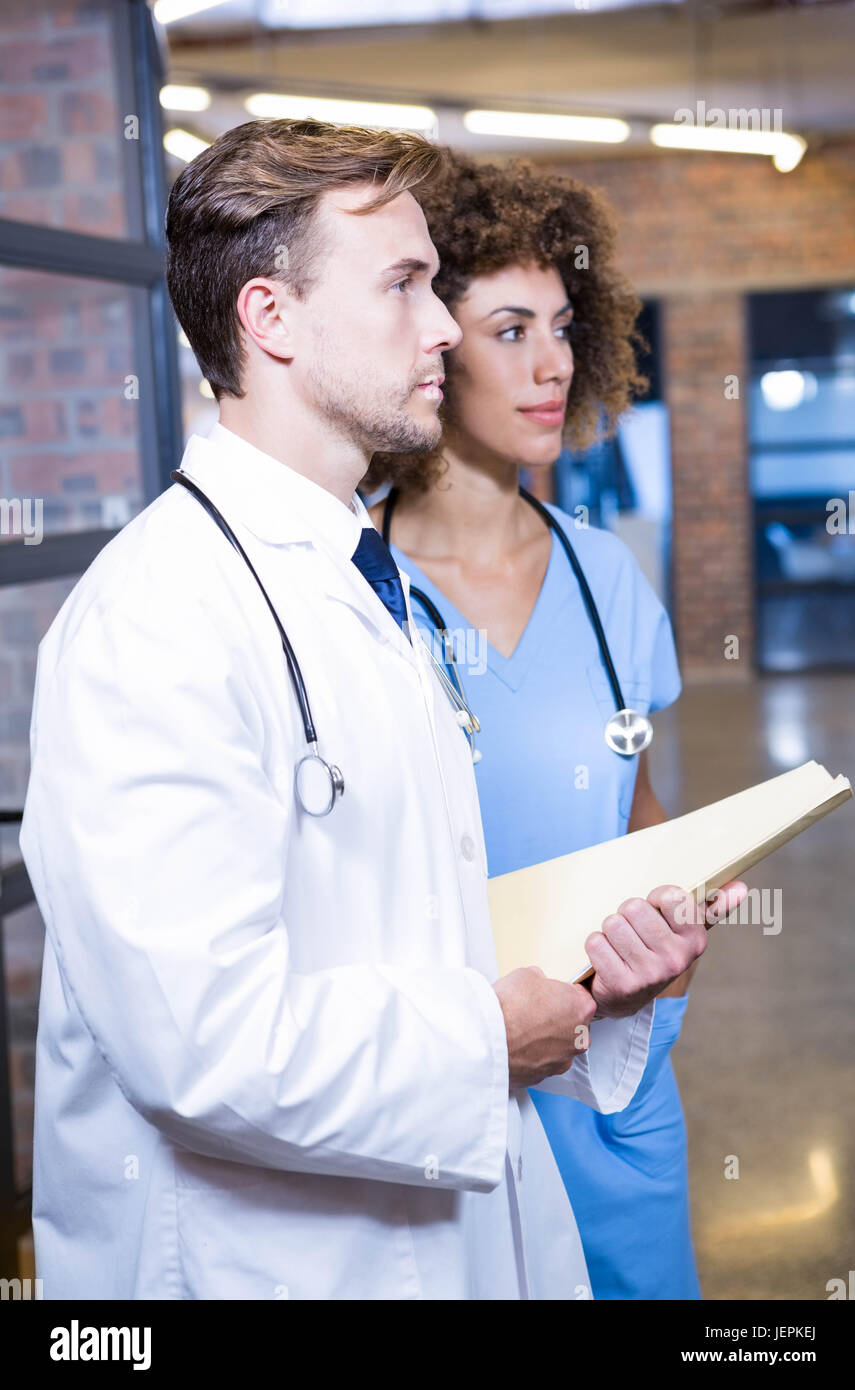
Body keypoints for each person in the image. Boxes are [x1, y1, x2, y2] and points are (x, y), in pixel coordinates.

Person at [19, 119, 743, 1300]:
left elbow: (403, 939)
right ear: (270, 319)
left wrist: (593, 986)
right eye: (404, 286)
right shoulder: (153, 620)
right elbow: (197, 1046)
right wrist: (486, 1041)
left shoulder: (368, 584)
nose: (444, 327)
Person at [364, 150, 705, 1298]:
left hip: (611, 1094)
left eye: (563, 325)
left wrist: (680, 901)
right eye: (510, 329)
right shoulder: (345, 588)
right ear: (427, 338)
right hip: (444, 1109)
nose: (552, 361)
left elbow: (636, 813)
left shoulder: (608, 579)